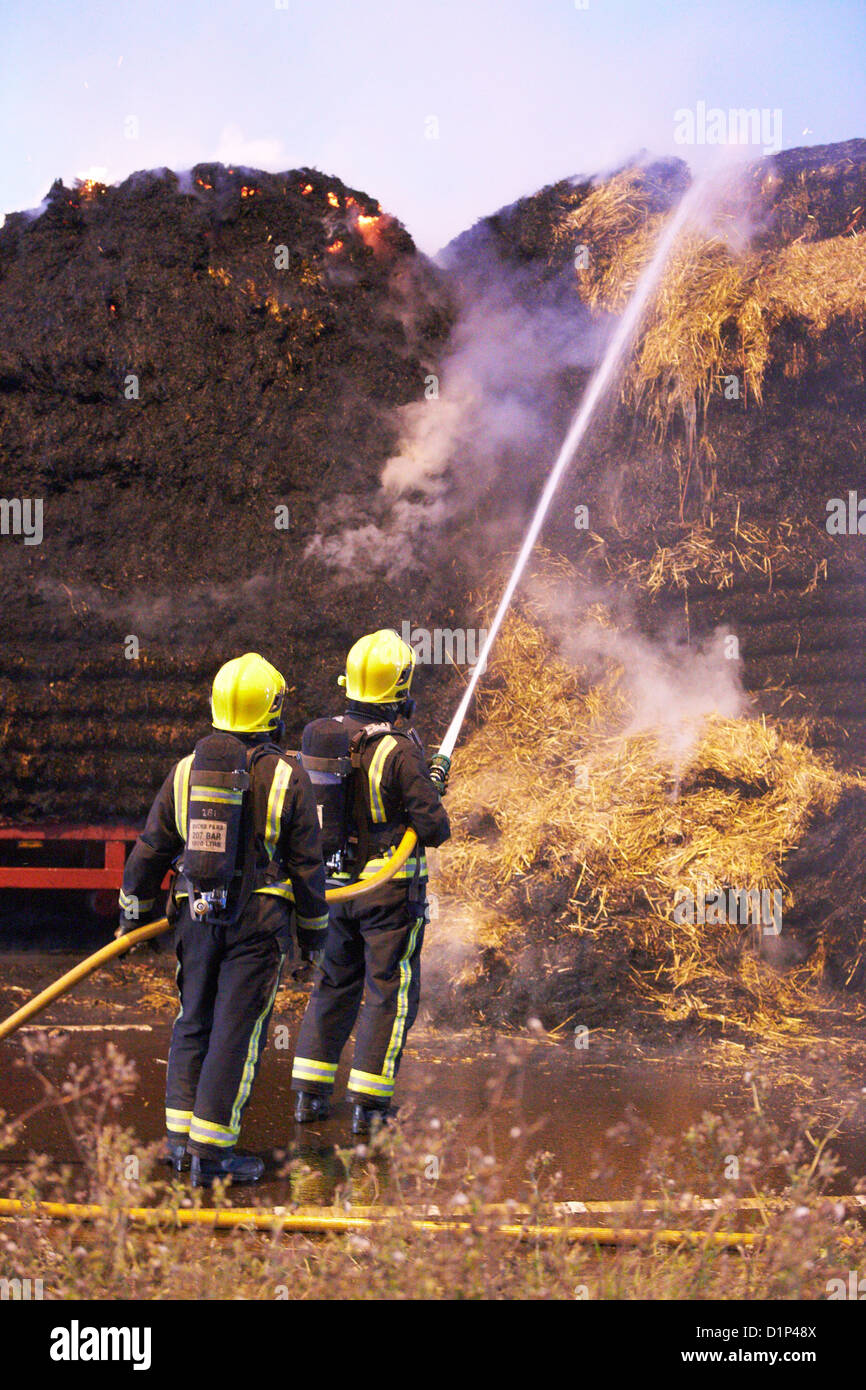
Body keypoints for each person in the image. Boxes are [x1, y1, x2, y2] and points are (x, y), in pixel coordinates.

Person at [118, 652, 328, 1187]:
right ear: (273, 711)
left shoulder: (187, 769)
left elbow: (150, 849)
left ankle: (180, 1144)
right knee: (235, 1031)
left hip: (193, 915)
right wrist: (313, 936)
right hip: (257, 926)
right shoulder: (287, 775)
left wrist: (132, 918)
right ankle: (212, 1157)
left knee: (193, 1020)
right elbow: (306, 867)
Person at [291, 629, 450, 1136]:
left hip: (335, 890)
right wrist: (433, 782)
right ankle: (370, 1105)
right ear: (400, 687)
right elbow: (434, 829)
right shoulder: (399, 750)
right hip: (388, 891)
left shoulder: (319, 736)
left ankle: (309, 1097)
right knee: (388, 990)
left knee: (334, 984)